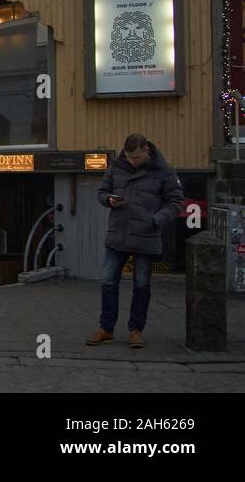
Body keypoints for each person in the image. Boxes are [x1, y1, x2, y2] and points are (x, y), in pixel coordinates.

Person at [86, 134, 182, 349]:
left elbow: (176, 202)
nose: (132, 162)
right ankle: (106, 329)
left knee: (141, 285)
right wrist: (108, 200)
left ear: (147, 150)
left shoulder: (164, 171)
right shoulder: (116, 166)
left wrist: (157, 220)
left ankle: (136, 330)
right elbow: (102, 191)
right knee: (108, 282)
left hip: (146, 236)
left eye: (137, 158)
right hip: (118, 234)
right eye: (130, 158)